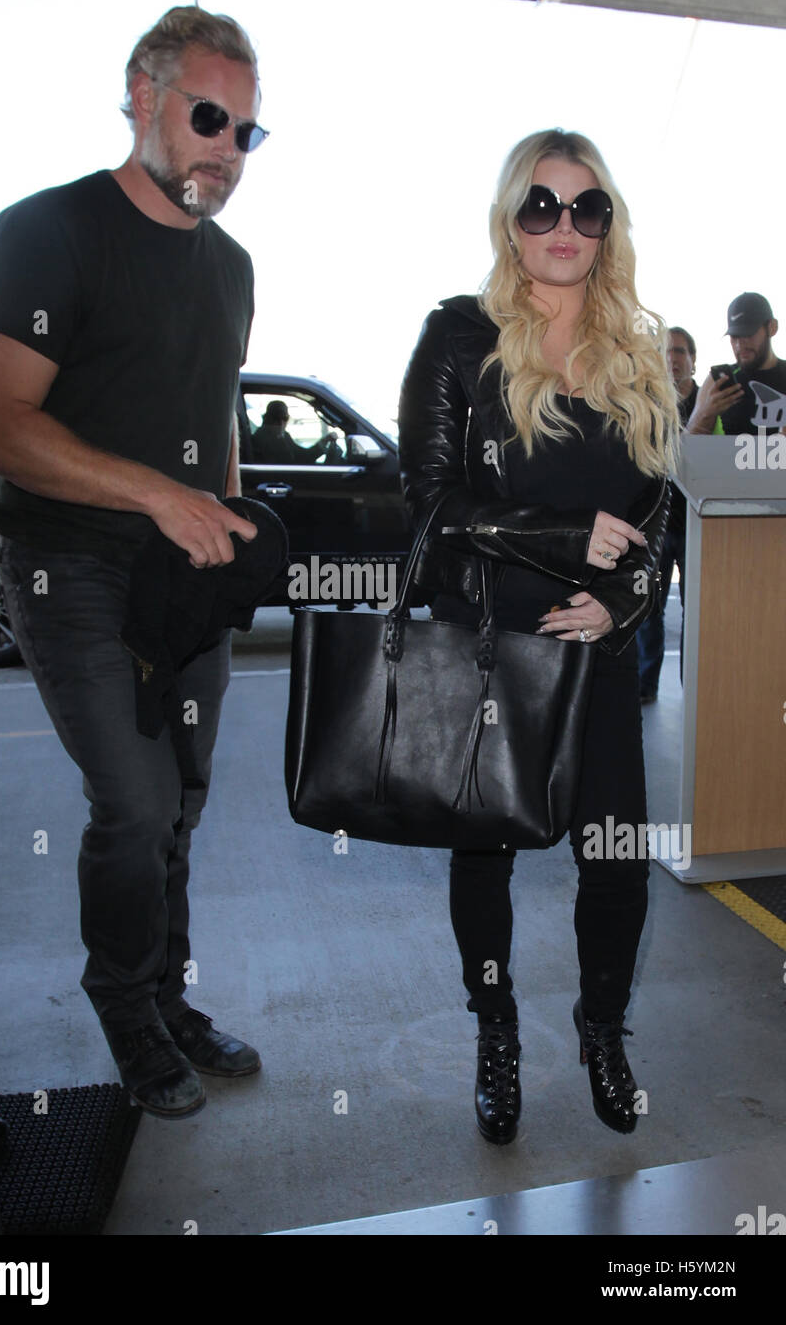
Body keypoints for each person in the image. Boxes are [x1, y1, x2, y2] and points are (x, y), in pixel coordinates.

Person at [0, 5, 270, 1120]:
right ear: (142, 99)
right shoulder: (49, 232)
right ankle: (124, 1008)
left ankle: (170, 995)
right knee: (133, 807)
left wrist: (225, 520)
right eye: (206, 119)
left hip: (186, 575)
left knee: (181, 803)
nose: (226, 151)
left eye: (246, 132)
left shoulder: (231, 268)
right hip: (68, 565)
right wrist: (156, 492)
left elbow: (214, 408)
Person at [398, 129, 678, 1145]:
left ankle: (602, 1027)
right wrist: (557, 537)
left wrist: (624, 603)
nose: (566, 227)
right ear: (511, 221)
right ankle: (496, 1027)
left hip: (596, 647)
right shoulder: (460, 340)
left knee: (617, 862)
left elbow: (659, 521)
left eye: (587, 207)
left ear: (610, 225)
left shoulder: (638, 351)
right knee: (489, 856)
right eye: (542, 206)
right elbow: (427, 507)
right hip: (491, 642)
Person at [636, 326, 697, 702]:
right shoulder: (649, 403)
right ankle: (646, 685)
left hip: (698, 527)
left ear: (693, 358)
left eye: (679, 351)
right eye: (665, 352)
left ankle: (692, 687)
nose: (672, 359)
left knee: (698, 611)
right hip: (657, 523)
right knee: (649, 609)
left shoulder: (713, 400)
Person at [686, 292, 786, 436]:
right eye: (735, 337)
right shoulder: (718, 382)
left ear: (772, 327)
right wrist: (706, 414)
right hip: (727, 459)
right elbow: (685, 448)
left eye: (748, 334)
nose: (740, 344)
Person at [251, 399, 341, 463]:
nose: (282, 423)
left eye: (285, 418)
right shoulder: (262, 438)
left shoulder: (283, 436)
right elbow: (299, 459)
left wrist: (324, 441)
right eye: (277, 418)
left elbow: (303, 456)